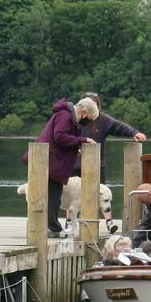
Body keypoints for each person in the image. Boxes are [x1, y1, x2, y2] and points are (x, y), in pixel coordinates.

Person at [28, 98, 92, 237]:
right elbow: (59, 136)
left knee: (53, 194)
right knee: (53, 195)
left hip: (51, 160)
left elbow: (62, 137)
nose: (86, 122)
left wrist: (76, 146)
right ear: (85, 113)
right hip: (50, 161)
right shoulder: (65, 115)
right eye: (88, 119)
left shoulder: (67, 115)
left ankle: (50, 226)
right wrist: (82, 140)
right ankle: (53, 228)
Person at [73, 92, 146, 184]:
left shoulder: (103, 120)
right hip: (74, 166)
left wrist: (134, 133)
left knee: (100, 195)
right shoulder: (74, 119)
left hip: (96, 166)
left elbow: (118, 126)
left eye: (93, 104)